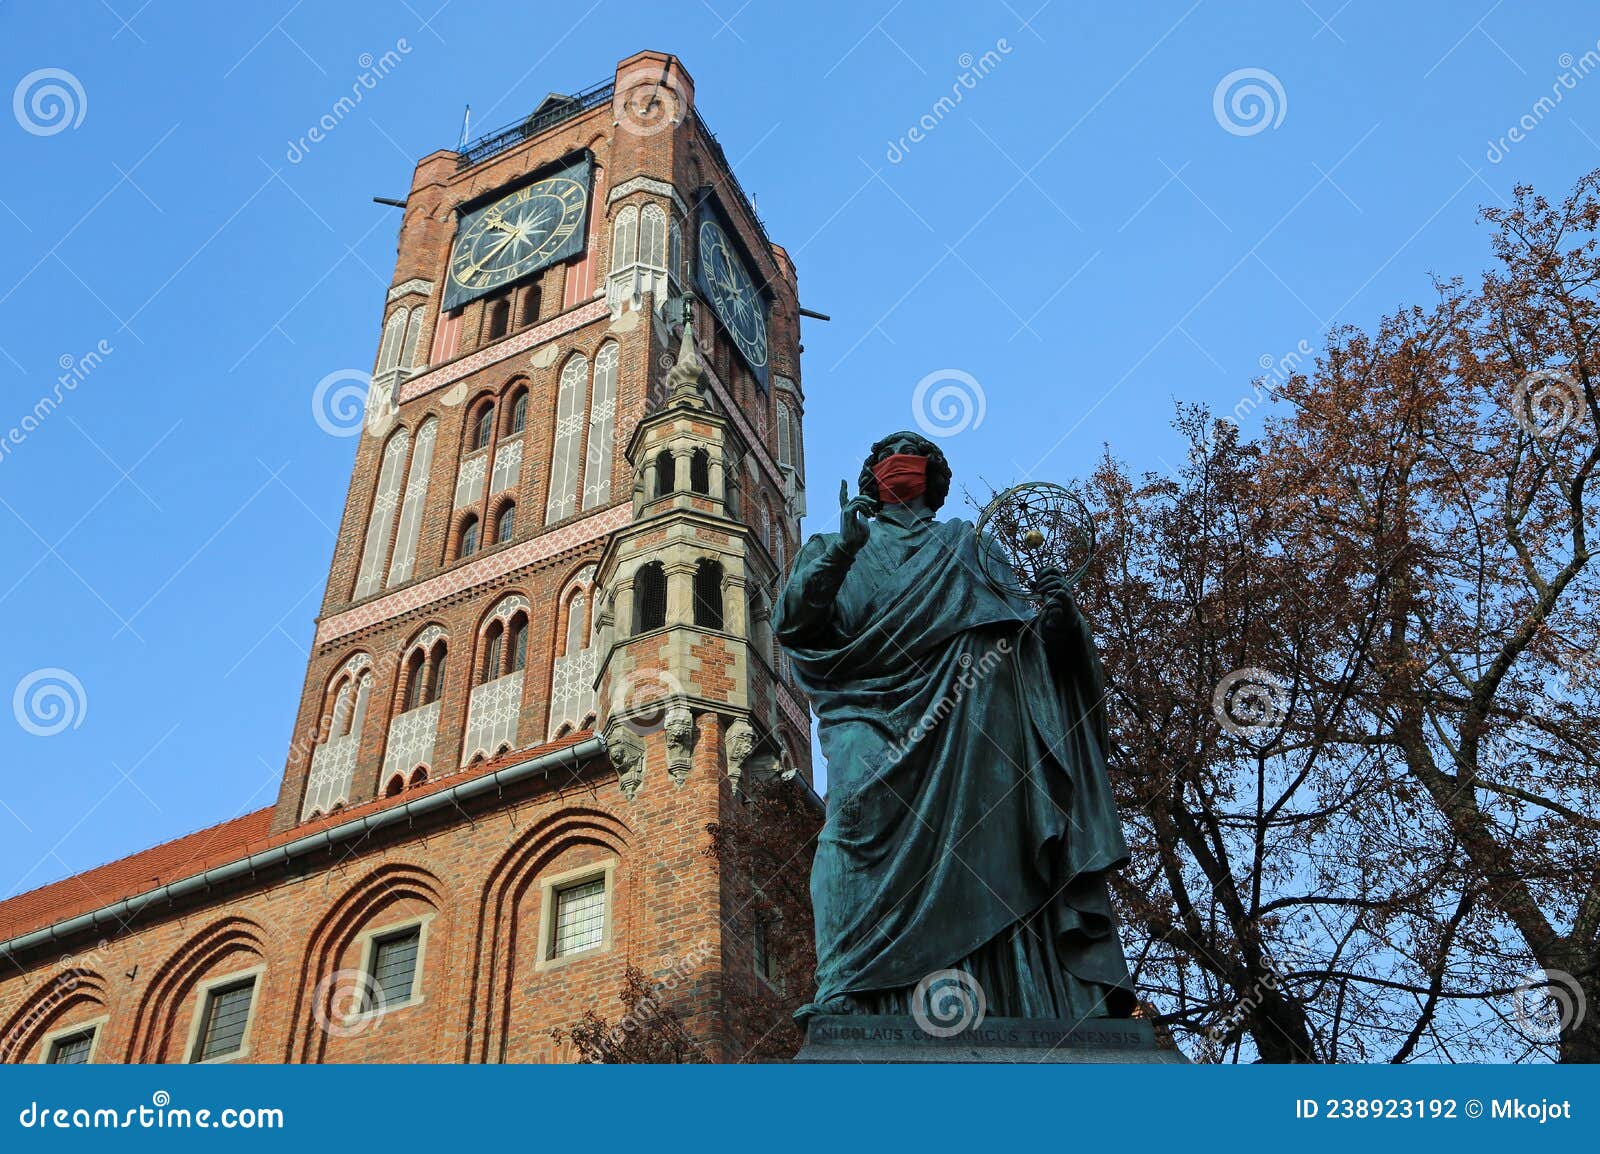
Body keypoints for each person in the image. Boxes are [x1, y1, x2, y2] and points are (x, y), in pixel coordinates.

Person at [774, 430, 1136, 1022]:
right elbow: (795, 624)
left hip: (975, 721)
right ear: (872, 478)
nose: (900, 465)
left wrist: (1061, 621)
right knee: (851, 827)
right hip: (867, 709)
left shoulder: (972, 545)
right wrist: (843, 549)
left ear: (933, 478)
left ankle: (1019, 992)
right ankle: (846, 982)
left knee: (990, 845)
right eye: (888, 458)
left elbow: (1026, 644)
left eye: (912, 458)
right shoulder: (836, 544)